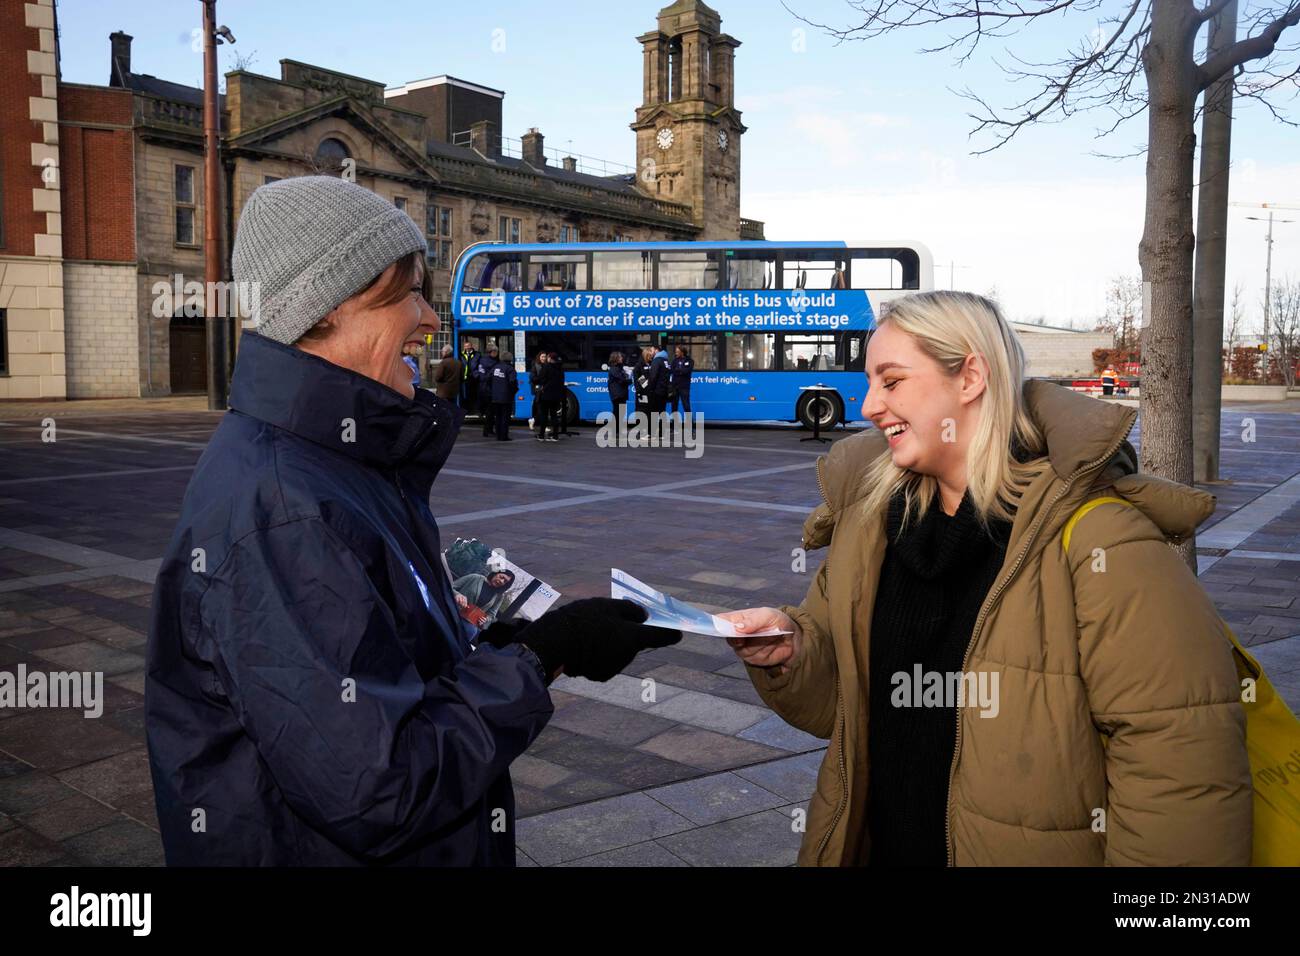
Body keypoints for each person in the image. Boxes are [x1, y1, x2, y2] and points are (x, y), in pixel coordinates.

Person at [146, 176, 680, 866]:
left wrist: (539, 642)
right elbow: (380, 783)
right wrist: (538, 659)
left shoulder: (336, 462)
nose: (430, 319)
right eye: (406, 294)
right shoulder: (285, 507)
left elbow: (387, 670)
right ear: (330, 307)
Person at [721, 290, 1250, 867]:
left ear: (970, 375)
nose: (869, 404)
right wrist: (793, 649)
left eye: (891, 381)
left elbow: (1180, 771)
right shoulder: (868, 525)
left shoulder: (1102, 539)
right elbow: (838, 705)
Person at [452, 569, 516, 624]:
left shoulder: (499, 596)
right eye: (501, 577)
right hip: (453, 609)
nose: (502, 581)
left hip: (468, 621)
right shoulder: (475, 577)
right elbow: (450, 586)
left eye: (505, 581)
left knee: (471, 632)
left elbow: (491, 614)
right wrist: (457, 594)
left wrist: (485, 619)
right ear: (495, 573)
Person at [489, 349, 519, 441]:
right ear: (510, 359)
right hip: (506, 397)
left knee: (498, 417)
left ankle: (498, 435)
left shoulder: (495, 367)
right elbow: (512, 382)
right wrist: (514, 391)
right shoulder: (510, 369)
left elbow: (488, 379)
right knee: (505, 417)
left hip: (495, 396)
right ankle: (504, 436)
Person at [537, 351, 564, 442]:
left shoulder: (546, 367)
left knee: (544, 415)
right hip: (556, 395)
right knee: (554, 416)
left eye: (548, 357)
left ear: (550, 358)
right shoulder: (560, 368)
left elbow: (540, 378)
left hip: (546, 395)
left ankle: (541, 435)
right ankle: (555, 436)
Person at [475, 346, 500, 437]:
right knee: (491, 412)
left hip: (483, 389)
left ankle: (488, 430)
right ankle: (488, 430)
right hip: (489, 390)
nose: (497, 354)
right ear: (492, 352)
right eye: (496, 352)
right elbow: (488, 376)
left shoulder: (482, 361)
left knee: (489, 412)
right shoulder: (492, 362)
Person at [607, 351, 630, 443]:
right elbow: (623, 380)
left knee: (621, 412)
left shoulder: (619, 368)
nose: (622, 358)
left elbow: (624, 379)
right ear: (616, 358)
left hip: (621, 394)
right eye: (620, 357)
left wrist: (627, 379)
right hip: (617, 394)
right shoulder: (614, 369)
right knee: (617, 412)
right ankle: (615, 431)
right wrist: (628, 380)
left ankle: (618, 430)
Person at [669, 344, 694, 416]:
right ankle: (674, 424)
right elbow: (672, 370)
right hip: (675, 386)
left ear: (682, 352)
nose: (676, 353)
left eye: (677, 352)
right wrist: (681, 370)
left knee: (686, 406)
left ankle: (689, 425)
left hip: (684, 387)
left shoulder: (690, 361)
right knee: (674, 406)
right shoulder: (674, 361)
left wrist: (679, 370)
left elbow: (687, 371)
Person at [647, 342, 671, 415]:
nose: (651, 353)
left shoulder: (656, 360)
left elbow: (653, 376)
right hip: (664, 390)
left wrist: (650, 388)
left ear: (656, 350)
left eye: (651, 350)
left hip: (656, 391)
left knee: (654, 411)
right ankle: (662, 426)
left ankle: (655, 426)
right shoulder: (665, 360)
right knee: (662, 410)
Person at [461, 341, 480, 414]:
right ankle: (467, 410)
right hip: (465, 378)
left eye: (468, 346)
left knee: (474, 395)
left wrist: (477, 374)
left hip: (474, 378)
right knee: (466, 395)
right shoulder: (461, 355)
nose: (467, 348)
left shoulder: (477, 354)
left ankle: (474, 410)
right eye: (465, 346)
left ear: (471, 346)